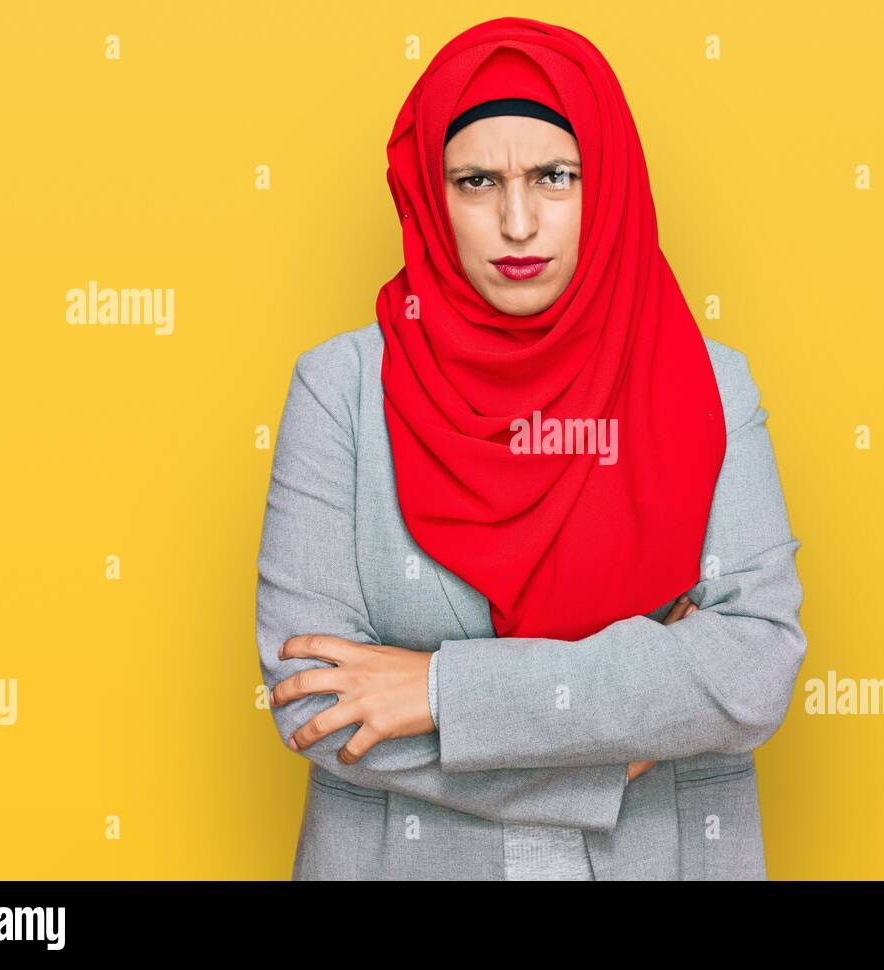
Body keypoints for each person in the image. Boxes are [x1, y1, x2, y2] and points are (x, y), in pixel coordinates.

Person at [256, 16, 807, 880]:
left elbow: (752, 669)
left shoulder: (710, 384)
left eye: (555, 176)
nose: (518, 221)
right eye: (477, 182)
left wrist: (437, 693)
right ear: (432, 200)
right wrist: (610, 752)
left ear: (609, 182)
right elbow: (317, 703)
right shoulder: (343, 389)